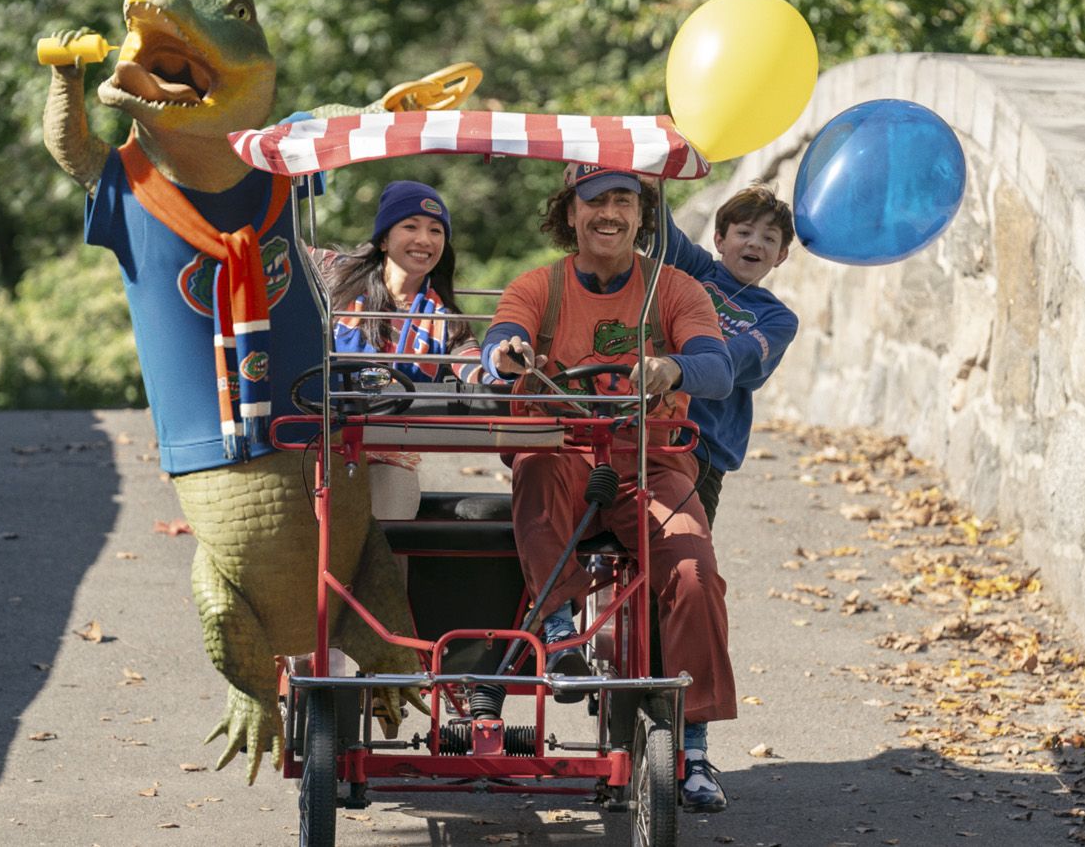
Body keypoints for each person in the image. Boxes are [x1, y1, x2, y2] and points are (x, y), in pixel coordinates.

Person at [480, 164, 737, 813]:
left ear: (642, 214)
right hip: (562, 451)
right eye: (595, 201)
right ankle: (562, 635)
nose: (609, 214)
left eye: (623, 201)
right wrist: (507, 352)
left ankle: (694, 742)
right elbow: (501, 337)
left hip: (646, 457)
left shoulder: (673, 289)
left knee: (694, 565)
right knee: (534, 468)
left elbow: (717, 366)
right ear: (571, 212)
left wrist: (673, 364)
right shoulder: (540, 285)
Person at [323, 180, 483, 521]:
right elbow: (278, 253)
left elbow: (474, 368)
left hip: (389, 455)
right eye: (410, 226)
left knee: (388, 534)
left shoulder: (445, 321)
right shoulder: (334, 276)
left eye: (436, 231)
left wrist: (502, 364)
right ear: (383, 239)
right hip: (320, 447)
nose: (424, 240)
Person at [657, 183, 799, 526]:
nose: (755, 243)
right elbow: (661, 231)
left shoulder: (778, 319)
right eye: (744, 232)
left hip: (703, 447)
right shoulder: (697, 270)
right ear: (720, 240)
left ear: (781, 255)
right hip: (648, 428)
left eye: (769, 238)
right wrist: (652, 185)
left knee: (688, 547)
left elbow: (730, 360)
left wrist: (676, 367)